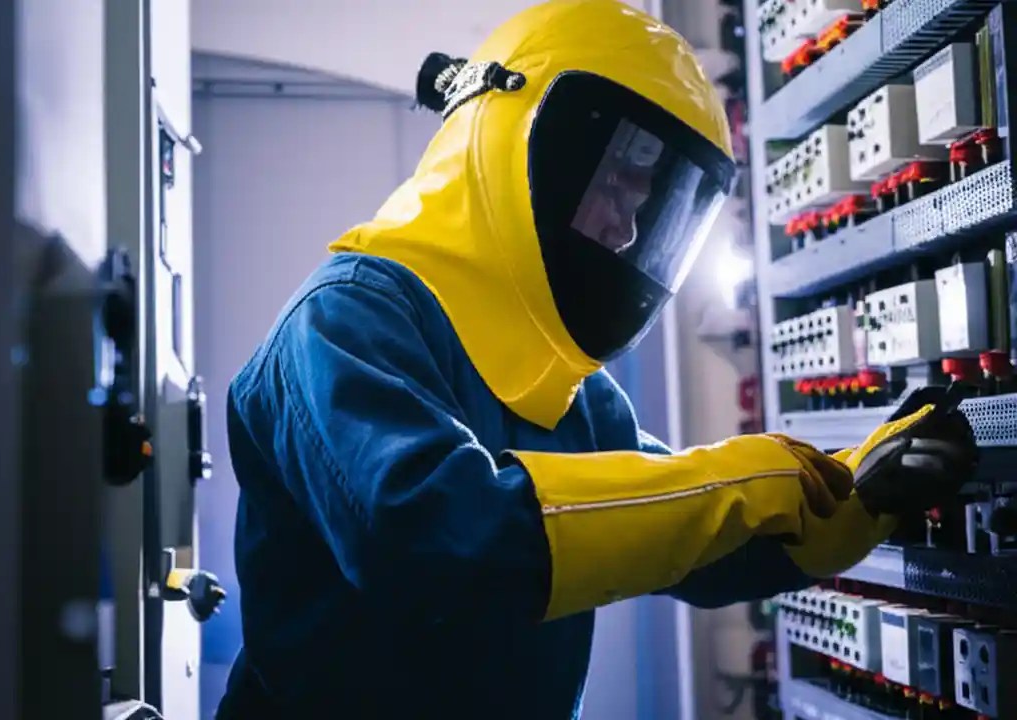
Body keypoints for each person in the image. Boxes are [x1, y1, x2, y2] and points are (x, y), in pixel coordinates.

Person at [215, 2, 977, 717]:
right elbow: (435, 538)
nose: (621, 232)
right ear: (510, 143)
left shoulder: (574, 394)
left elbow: (695, 544)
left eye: (647, 209)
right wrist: (739, 484)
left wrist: (859, 490)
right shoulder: (343, 322)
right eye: (614, 187)